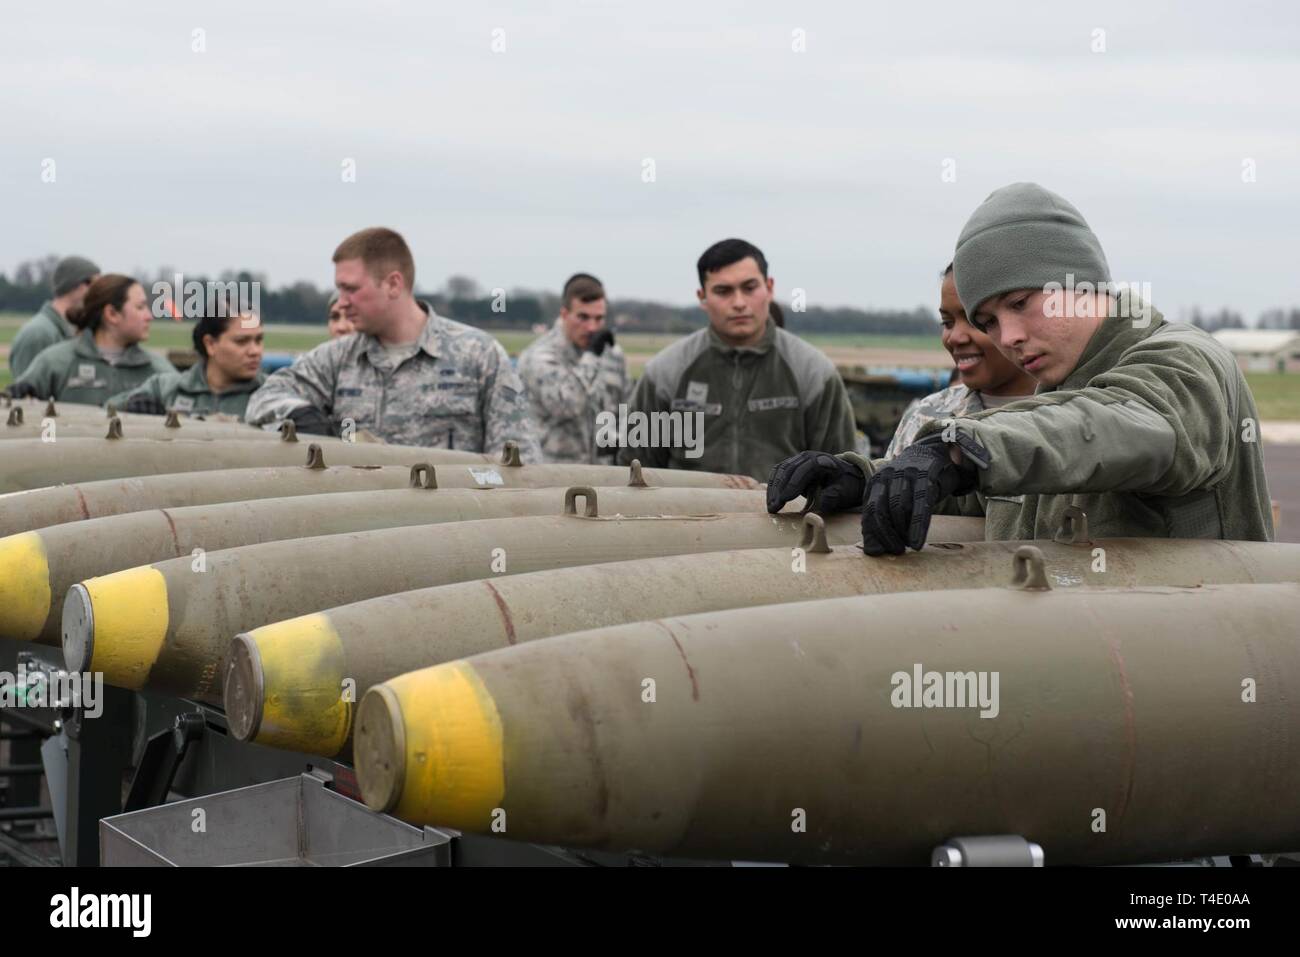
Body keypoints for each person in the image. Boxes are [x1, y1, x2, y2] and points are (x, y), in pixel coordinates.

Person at [767, 182, 1274, 552]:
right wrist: (866, 477)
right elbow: (984, 495)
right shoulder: (1052, 399)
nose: (1006, 337)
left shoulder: (1184, 359)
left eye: (1019, 303)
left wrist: (962, 449)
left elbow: (1125, 428)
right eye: (988, 320)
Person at [244, 227, 541, 457]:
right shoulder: (337, 359)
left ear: (393, 284)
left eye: (351, 289)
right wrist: (305, 418)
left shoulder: (478, 355)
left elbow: (518, 459)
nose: (341, 302)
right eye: (339, 290)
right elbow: (263, 400)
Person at [617, 238, 856, 480]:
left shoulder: (814, 373)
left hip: (785, 506)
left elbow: (842, 476)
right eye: (723, 291)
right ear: (702, 297)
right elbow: (634, 473)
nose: (739, 303)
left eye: (749, 288)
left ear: (769, 288)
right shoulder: (665, 373)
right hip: (684, 505)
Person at [884, 263, 1036, 458]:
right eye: (947, 323)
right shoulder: (927, 415)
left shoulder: (1069, 415)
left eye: (976, 321)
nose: (955, 337)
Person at [8, 274, 174, 405]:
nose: (149, 316)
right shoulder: (55, 363)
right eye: (140, 307)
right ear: (112, 314)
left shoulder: (159, 371)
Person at [517, 273, 630, 463]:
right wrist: (592, 357)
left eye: (598, 318)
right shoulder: (539, 357)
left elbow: (627, 410)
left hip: (604, 473)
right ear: (564, 314)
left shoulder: (613, 355)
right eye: (583, 317)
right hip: (553, 474)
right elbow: (567, 405)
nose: (592, 327)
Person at [108, 310, 267, 418]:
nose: (255, 351)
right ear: (210, 344)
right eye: (241, 341)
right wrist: (134, 414)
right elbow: (106, 414)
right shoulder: (164, 390)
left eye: (259, 340)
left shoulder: (270, 396)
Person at [8, 256, 100, 378]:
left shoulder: (70, 329)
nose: (99, 294)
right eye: (96, 286)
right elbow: (27, 387)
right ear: (79, 285)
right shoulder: (38, 334)